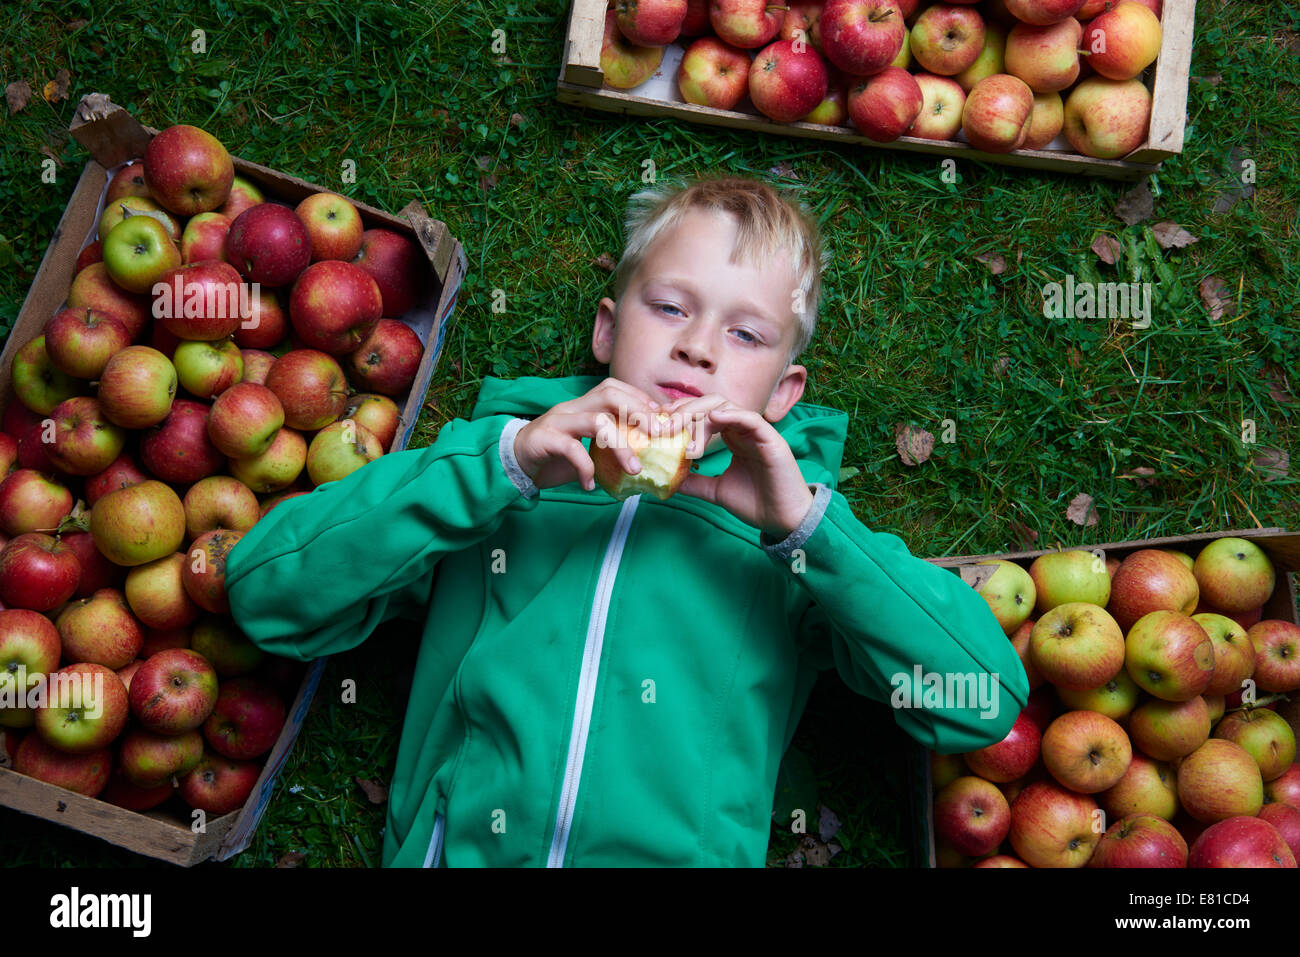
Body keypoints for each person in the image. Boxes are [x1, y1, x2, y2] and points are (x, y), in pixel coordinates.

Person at [225, 175, 1028, 867]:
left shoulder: (794, 550)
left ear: (784, 395)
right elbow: (266, 595)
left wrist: (814, 533)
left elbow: (980, 703)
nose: (699, 348)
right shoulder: (501, 479)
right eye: (671, 306)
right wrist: (499, 466)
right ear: (608, 330)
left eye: (747, 334)